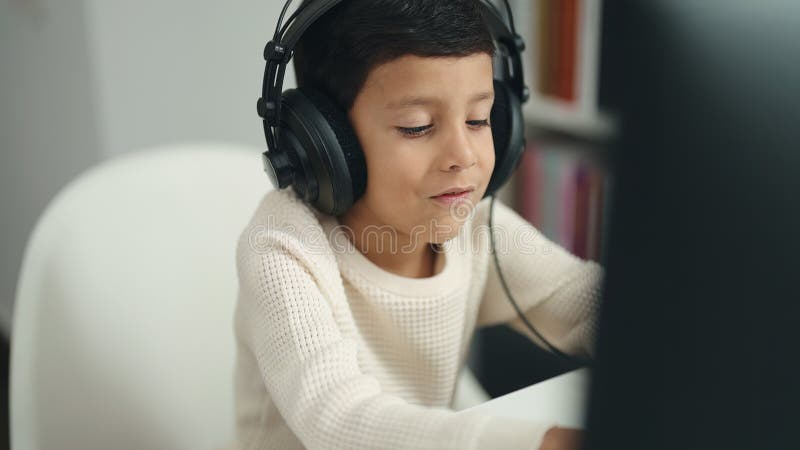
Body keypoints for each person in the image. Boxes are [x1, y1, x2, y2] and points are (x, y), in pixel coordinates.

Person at [232, 1, 603, 448]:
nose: (463, 156)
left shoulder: (473, 223)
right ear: (325, 144)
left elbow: (583, 302)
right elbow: (339, 418)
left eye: (478, 119)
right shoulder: (282, 249)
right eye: (417, 126)